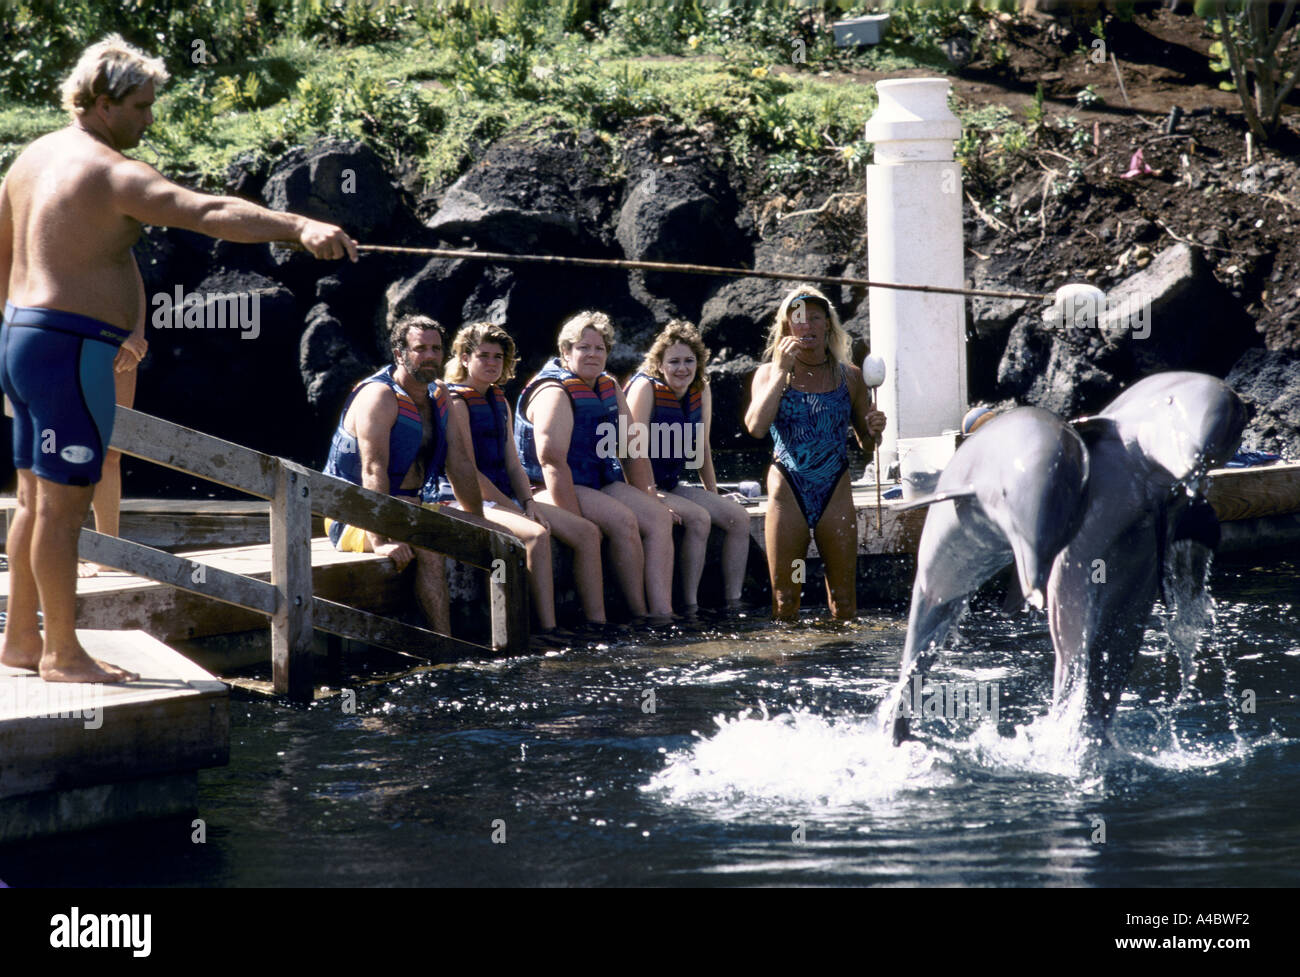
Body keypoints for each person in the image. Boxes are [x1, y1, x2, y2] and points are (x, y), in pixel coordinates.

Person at [0, 34, 357, 684]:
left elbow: (3, 256)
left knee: (31, 497)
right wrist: (297, 227)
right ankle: (61, 652)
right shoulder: (111, 171)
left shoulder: (29, 160)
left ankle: (22, 640)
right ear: (102, 102)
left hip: (23, 341)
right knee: (64, 504)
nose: (149, 118)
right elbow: (210, 211)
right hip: (69, 349)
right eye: (140, 105)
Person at [438, 321, 608, 639]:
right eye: (483, 355)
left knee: (587, 533)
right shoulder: (457, 402)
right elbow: (468, 472)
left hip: (502, 498)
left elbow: (514, 466)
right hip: (463, 498)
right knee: (535, 536)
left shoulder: (498, 400)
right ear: (464, 358)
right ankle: (547, 629)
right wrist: (515, 511)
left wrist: (528, 501)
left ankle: (597, 625)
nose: (491, 363)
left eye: (497, 357)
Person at [323, 315, 483, 635]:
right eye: (420, 348)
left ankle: (506, 641)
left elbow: (461, 462)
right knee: (428, 547)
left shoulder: (439, 395)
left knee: (500, 537)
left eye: (436, 349)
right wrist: (379, 541)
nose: (430, 356)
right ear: (399, 354)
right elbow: (372, 470)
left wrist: (479, 520)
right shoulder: (379, 397)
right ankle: (445, 648)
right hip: (354, 515)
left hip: (414, 507)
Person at [514, 311, 678, 624]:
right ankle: (639, 614)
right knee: (623, 520)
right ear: (566, 351)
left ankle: (662, 613)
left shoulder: (608, 386)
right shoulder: (554, 391)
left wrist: (649, 496)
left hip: (596, 481)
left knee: (657, 518)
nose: (592, 354)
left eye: (599, 348)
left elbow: (631, 450)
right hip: (548, 487)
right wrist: (574, 521)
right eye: (583, 348)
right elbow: (551, 461)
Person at [744, 284, 887, 621]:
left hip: (834, 493)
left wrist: (874, 430)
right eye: (798, 320)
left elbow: (866, 445)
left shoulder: (850, 378)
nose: (806, 326)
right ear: (786, 328)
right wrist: (782, 370)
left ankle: (841, 666)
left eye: (815, 319)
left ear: (827, 326)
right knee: (787, 597)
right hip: (789, 491)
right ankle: (792, 668)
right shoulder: (768, 374)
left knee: (843, 601)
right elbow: (756, 427)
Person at [625, 320, 750, 615]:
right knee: (698, 519)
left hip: (669, 482)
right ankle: (690, 605)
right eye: (674, 361)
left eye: (689, 361)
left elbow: (701, 446)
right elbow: (629, 449)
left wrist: (713, 492)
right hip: (636, 485)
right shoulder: (645, 388)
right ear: (659, 364)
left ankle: (733, 601)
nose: (682, 368)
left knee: (738, 518)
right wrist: (649, 496)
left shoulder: (700, 388)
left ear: (699, 362)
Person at [78, 263, 147, 577]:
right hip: (70, 340)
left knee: (110, 451)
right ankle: (61, 550)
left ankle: (107, 554)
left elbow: (131, 279)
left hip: (121, 343)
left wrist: (137, 335)